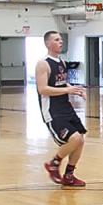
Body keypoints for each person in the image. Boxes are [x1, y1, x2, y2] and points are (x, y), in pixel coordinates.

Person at [36, 31, 87, 187]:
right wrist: (67, 90)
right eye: (57, 40)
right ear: (48, 43)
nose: (61, 42)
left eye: (61, 39)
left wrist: (75, 89)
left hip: (66, 107)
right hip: (52, 110)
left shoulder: (62, 63)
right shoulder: (43, 64)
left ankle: (69, 175)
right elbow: (42, 89)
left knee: (81, 140)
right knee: (75, 139)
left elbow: (63, 84)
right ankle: (54, 163)